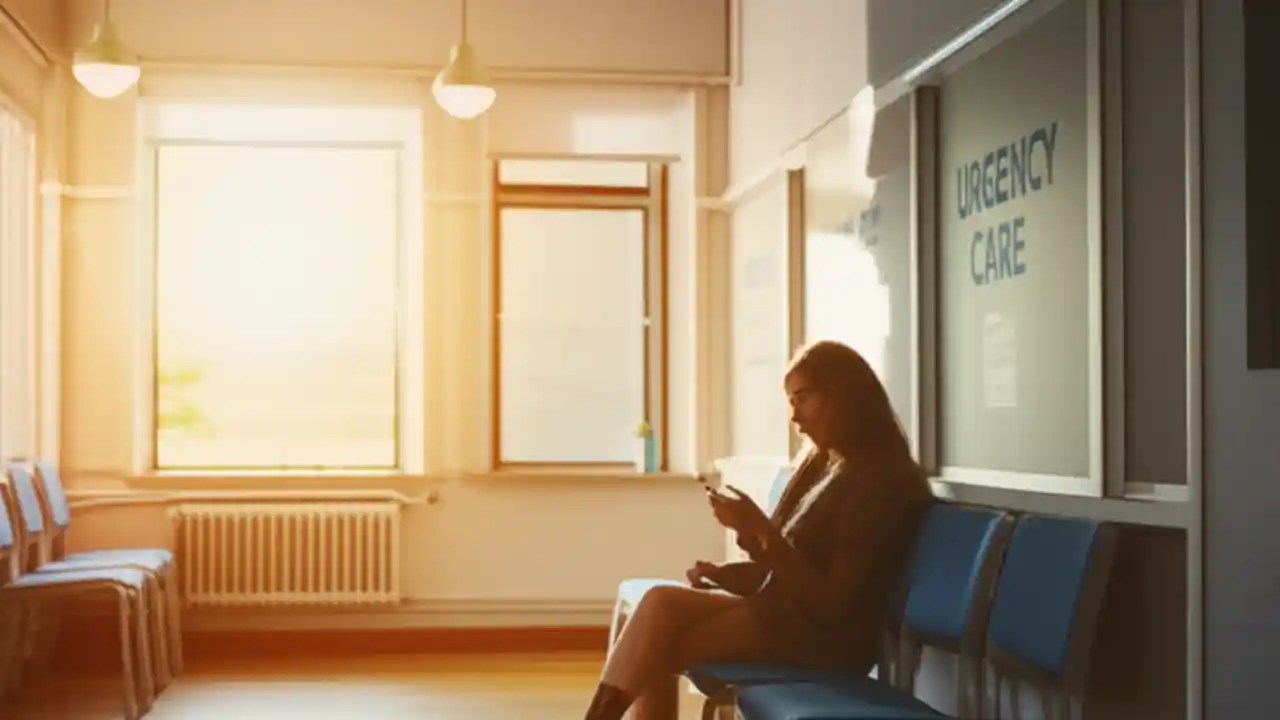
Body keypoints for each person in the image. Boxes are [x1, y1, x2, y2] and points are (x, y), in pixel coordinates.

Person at [584, 340, 934, 720]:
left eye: (803, 399)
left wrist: (762, 534)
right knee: (658, 604)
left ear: (842, 396)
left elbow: (833, 601)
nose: (796, 418)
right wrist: (727, 571)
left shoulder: (880, 481)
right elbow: (783, 566)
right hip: (785, 617)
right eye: (791, 403)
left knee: (653, 646)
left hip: (823, 639)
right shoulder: (825, 465)